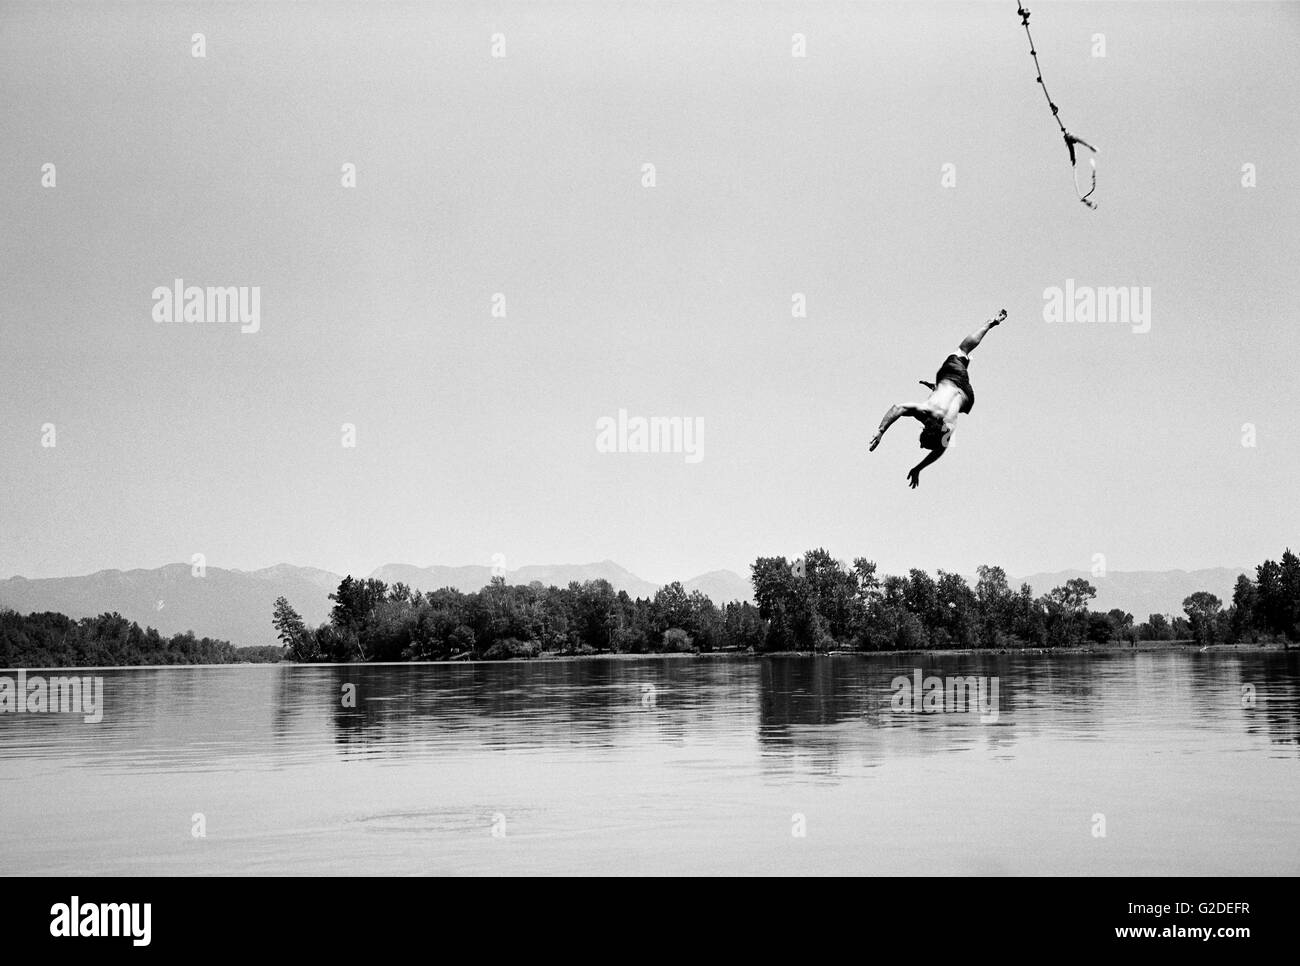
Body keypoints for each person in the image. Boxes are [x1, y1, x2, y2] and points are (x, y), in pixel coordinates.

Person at [868, 309, 1006, 488]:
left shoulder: (948, 428)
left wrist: (918, 468)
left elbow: (940, 450)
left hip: (968, 398)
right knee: (962, 350)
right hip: (953, 378)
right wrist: (880, 431)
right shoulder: (926, 411)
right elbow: (897, 408)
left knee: (950, 386)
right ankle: (990, 323)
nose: (920, 447)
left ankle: (939, 389)